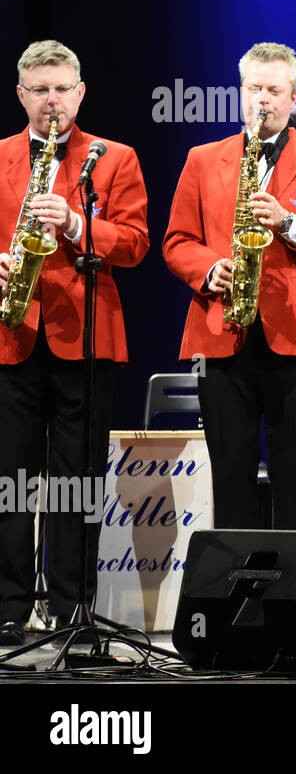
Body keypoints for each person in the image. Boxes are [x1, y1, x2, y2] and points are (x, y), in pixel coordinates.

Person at [163, 42, 296, 529]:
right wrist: (211, 270)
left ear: (294, 96)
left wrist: (288, 223)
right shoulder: (202, 159)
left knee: (295, 477)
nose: (262, 101)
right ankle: (238, 601)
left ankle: (291, 602)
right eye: (254, 89)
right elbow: (177, 241)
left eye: (274, 90)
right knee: (230, 478)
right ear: (241, 93)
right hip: (223, 333)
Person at [0, 40, 149, 646]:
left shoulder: (114, 157)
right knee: (10, 481)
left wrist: (76, 224)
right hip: (12, 338)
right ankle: (9, 607)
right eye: (40, 90)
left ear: (80, 92)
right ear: (21, 96)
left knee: (76, 483)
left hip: (83, 341)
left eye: (62, 89)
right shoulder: (2, 155)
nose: (52, 101)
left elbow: (137, 242)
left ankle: (70, 606)